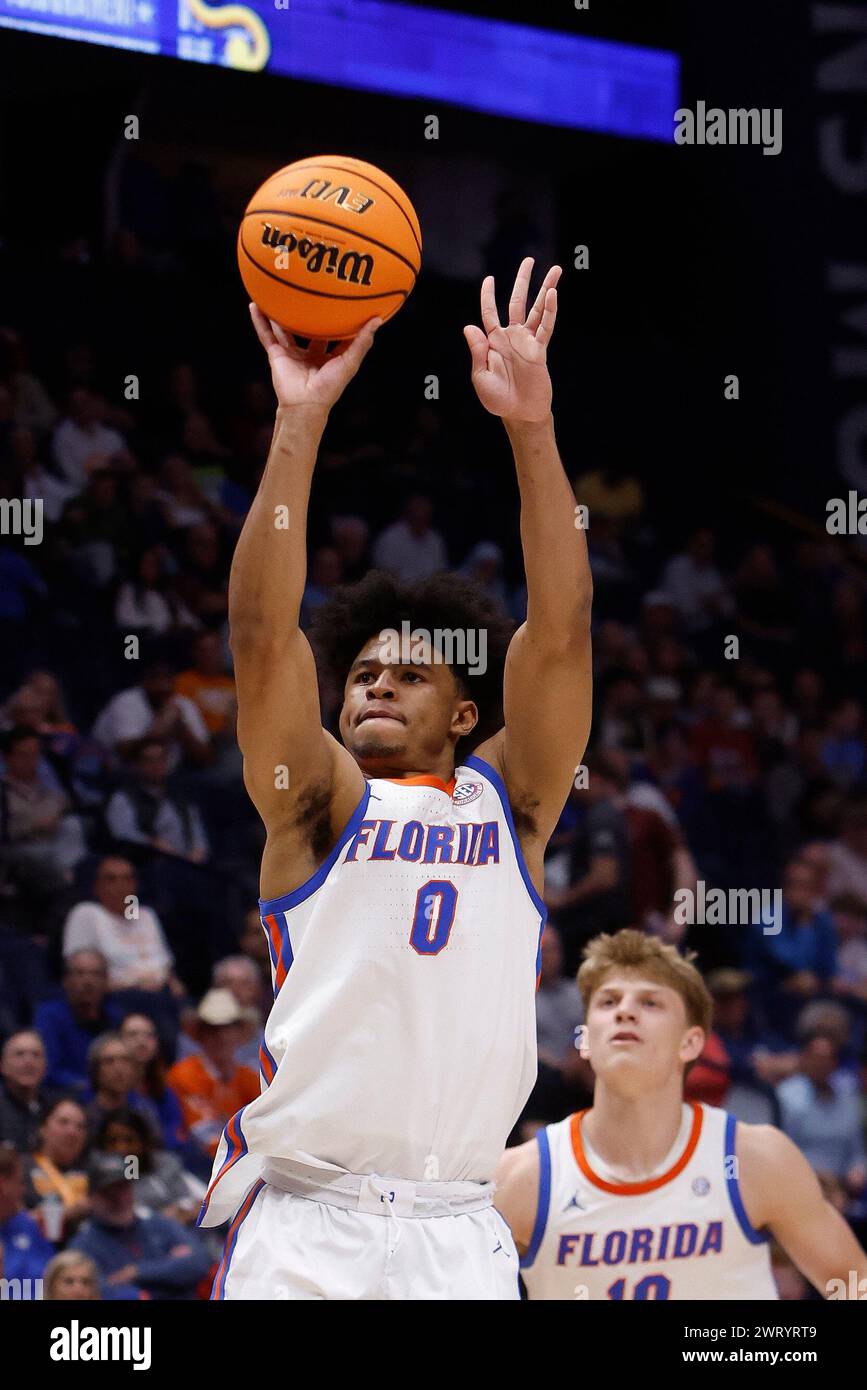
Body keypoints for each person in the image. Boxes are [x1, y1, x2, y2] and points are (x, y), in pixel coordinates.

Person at [197, 259, 593, 1303]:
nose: (376, 682)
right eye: (364, 670)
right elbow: (258, 634)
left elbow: (558, 634)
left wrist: (531, 429)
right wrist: (299, 421)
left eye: (410, 672)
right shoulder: (319, 799)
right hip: (306, 1224)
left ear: (466, 715)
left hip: (458, 1228)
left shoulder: (509, 804)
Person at [495, 929, 867, 1299]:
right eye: (608, 1002)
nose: (625, 1011)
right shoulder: (522, 1178)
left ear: (690, 1042)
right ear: (586, 1040)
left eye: (650, 1003)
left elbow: (854, 1287)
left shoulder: (755, 1159)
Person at [69, 1151, 210, 1300]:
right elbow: (102, 1292)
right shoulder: (83, 1246)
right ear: (91, 1198)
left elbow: (199, 1262)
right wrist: (171, 1270)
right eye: (108, 1193)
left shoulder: (158, 1224)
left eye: (123, 1189)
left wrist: (136, 1273)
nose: (119, 1200)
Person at [167, 990, 258, 1167]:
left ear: (238, 1033)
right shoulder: (184, 1074)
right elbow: (203, 1135)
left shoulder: (250, 1077)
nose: (221, 1036)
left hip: (244, 1161)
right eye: (213, 1029)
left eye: (228, 1028)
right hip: (198, 1162)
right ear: (201, 1035)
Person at [34, 950, 121, 1093]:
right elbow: (49, 1071)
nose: (88, 981)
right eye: (79, 973)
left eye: (95, 974)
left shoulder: (115, 1018)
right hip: (65, 1098)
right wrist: (93, 1087)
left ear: (106, 982)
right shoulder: (49, 1016)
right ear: (66, 981)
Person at [26, 1097, 90, 1241]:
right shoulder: (22, 1168)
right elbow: (11, 1221)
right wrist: (68, 1213)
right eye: (63, 1122)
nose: (72, 1132)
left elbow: (133, 1174)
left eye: (80, 1127)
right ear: (42, 1128)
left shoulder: (95, 1170)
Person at [0, 1145, 55, 1286]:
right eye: (20, 1182)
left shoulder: (29, 1224)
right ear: (2, 1184)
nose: (23, 1190)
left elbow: (54, 1277)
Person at [0, 1030, 60, 1152]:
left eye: (36, 1055)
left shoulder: (55, 1110)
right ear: (3, 1066)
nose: (29, 1062)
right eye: (19, 1054)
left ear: (45, 1066)